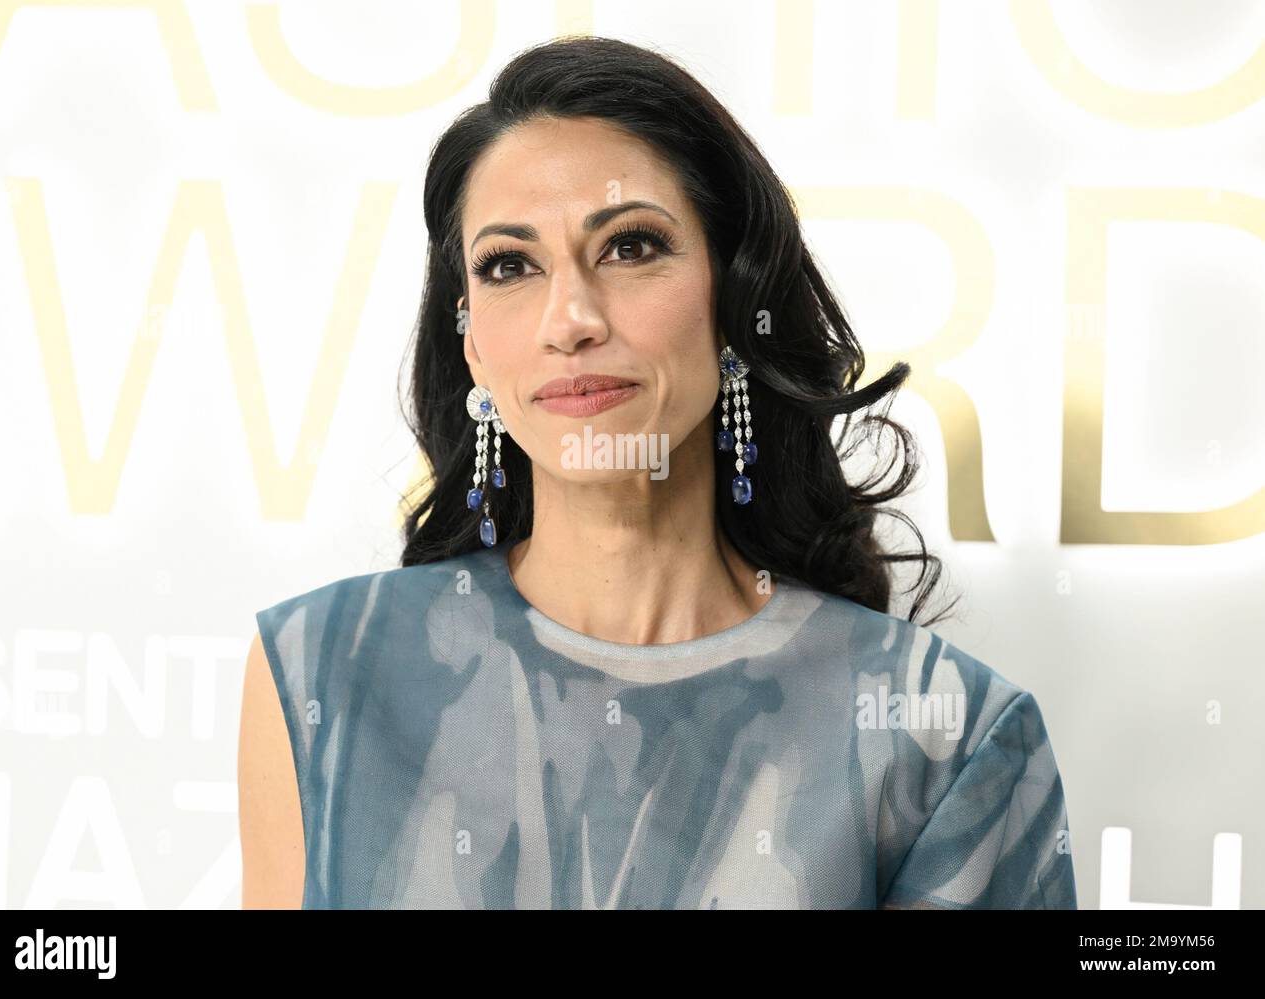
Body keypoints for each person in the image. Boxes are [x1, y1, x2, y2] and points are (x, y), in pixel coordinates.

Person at [238, 36, 1077, 910]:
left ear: (733, 298)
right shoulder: (322, 673)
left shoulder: (944, 731)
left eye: (630, 247)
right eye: (509, 266)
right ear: (474, 347)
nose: (570, 319)